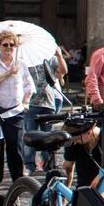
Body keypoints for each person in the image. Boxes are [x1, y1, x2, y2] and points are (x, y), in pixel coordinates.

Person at [0, 29, 35, 184]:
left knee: (15, 145)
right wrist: (8, 73)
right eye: (5, 44)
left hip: (15, 110)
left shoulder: (21, 63)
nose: (8, 47)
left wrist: (26, 102)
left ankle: (17, 177)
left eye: (12, 45)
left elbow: (29, 86)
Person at [23, 46, 68, 175]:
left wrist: (59, 55)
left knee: (49, 136)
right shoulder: (24, 59)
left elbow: (63, 71)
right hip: (30, 103)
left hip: (48, 103)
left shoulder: (49, 57)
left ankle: (48, 163)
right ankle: (29, 165)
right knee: (29, 135)